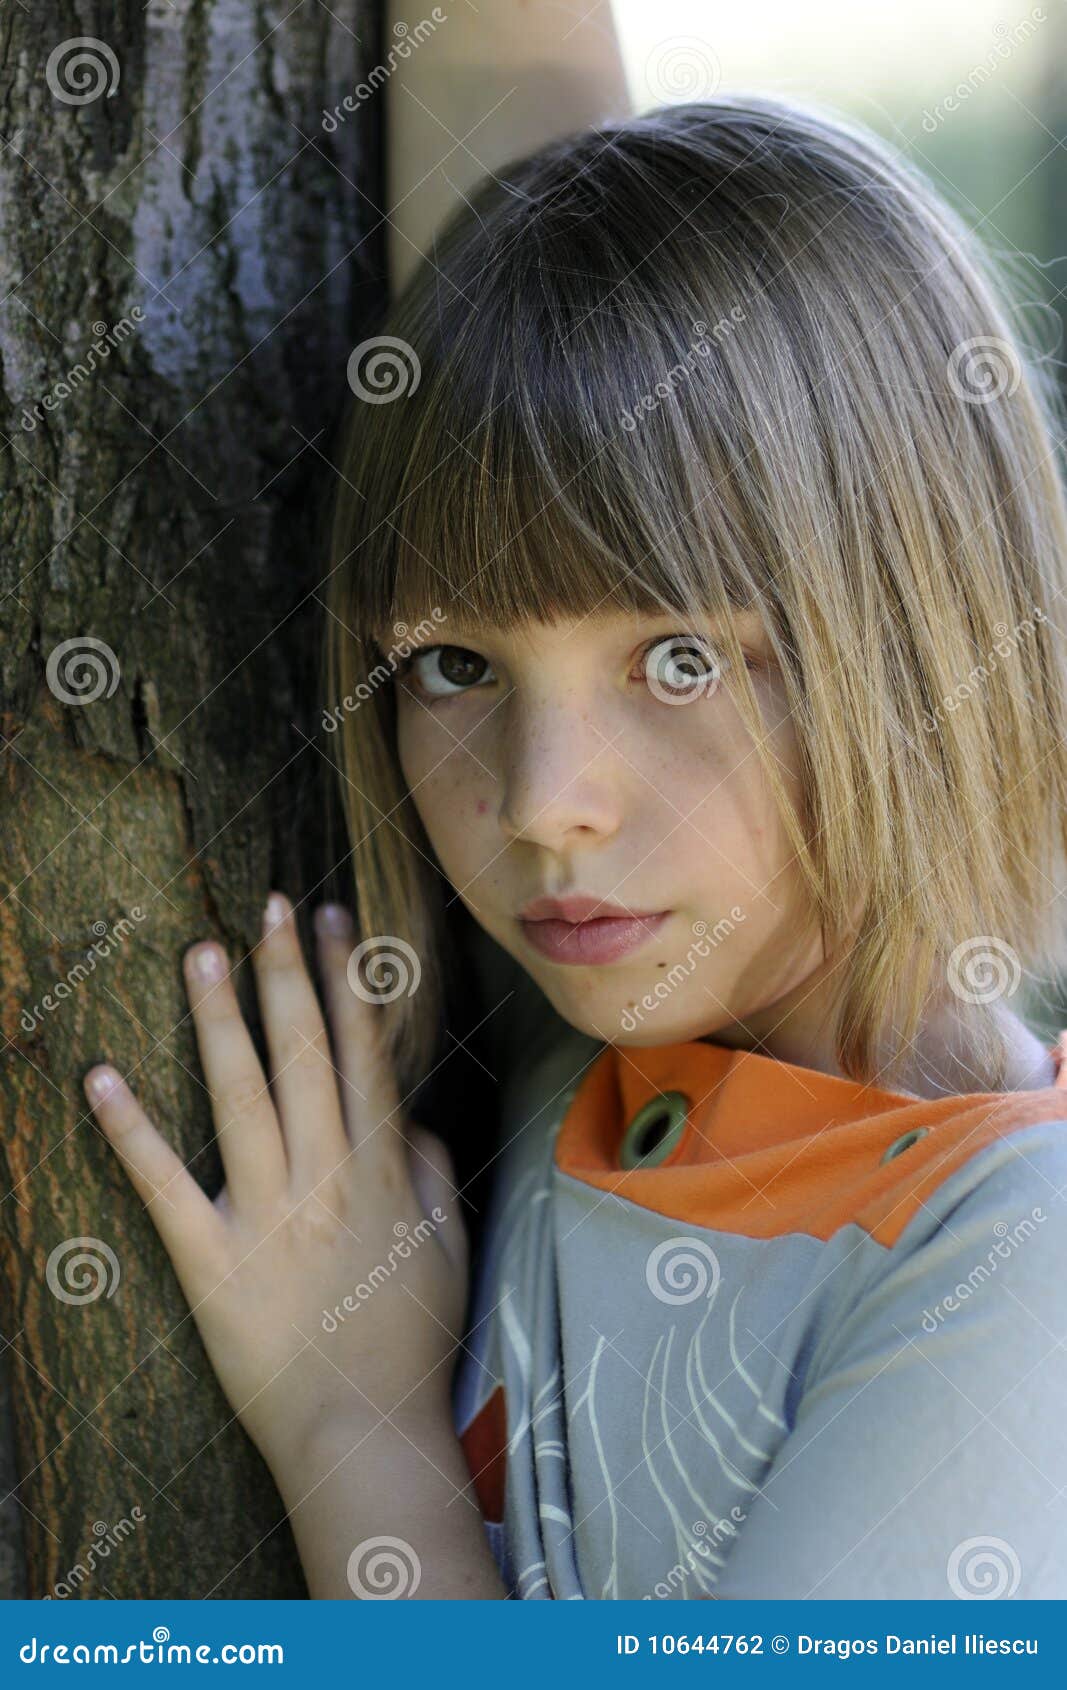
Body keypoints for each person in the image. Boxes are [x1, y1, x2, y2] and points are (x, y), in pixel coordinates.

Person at [84, 5, 1067, 1599]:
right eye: (455, 663)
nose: (546, 807)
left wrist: (352, 1422)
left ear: (925, 637)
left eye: (680, 659)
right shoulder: (600, 1023)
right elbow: (529, 202)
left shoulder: (1013, 1265)